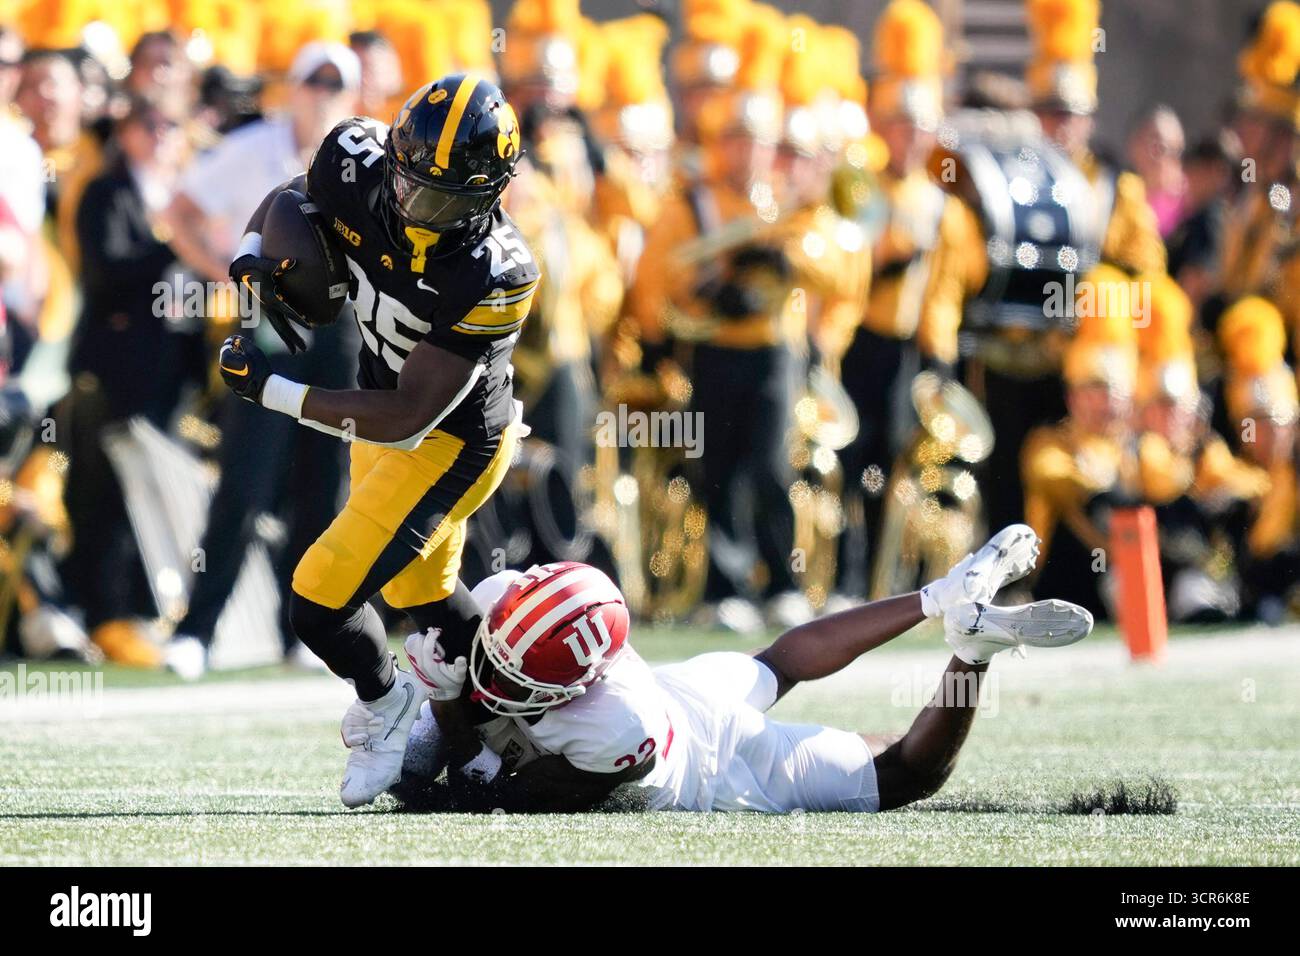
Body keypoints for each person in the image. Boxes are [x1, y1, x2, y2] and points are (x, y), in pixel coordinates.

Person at [216, 73, 538, 808]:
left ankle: (387, 701)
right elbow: (291, 197)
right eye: (407, 179)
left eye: (440, 197)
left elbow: (410, 415)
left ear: (489, 194)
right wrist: (252, 253)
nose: (412, 201)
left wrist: (272, 391)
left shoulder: (498, 270)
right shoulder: (355, 158)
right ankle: (488, 743)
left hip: (451, 442)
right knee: (421, 591)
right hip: (381, 415)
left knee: (320, 597)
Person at [389, 525, 1092, 814]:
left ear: (582, 682)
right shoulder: (499, 600)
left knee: (906, 773)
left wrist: (446, 709)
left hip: (715, 761)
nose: (493, 684)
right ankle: (942, 596)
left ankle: (971, 650)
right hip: (680, 687)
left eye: (518, 683)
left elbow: (499, 798)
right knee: (775, 663)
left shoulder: (615, 728)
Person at [62, 96, 203, 666]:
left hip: (173, 368)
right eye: (149, 124)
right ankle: (104, 613)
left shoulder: (186, 194)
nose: (161, 134)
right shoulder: (107, 191)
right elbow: (104, 271)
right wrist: (175, 246)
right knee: (108, 491)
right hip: (117, 369)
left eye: (171, 124)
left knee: (154, 490)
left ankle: (148, 610)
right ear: (125, 132)